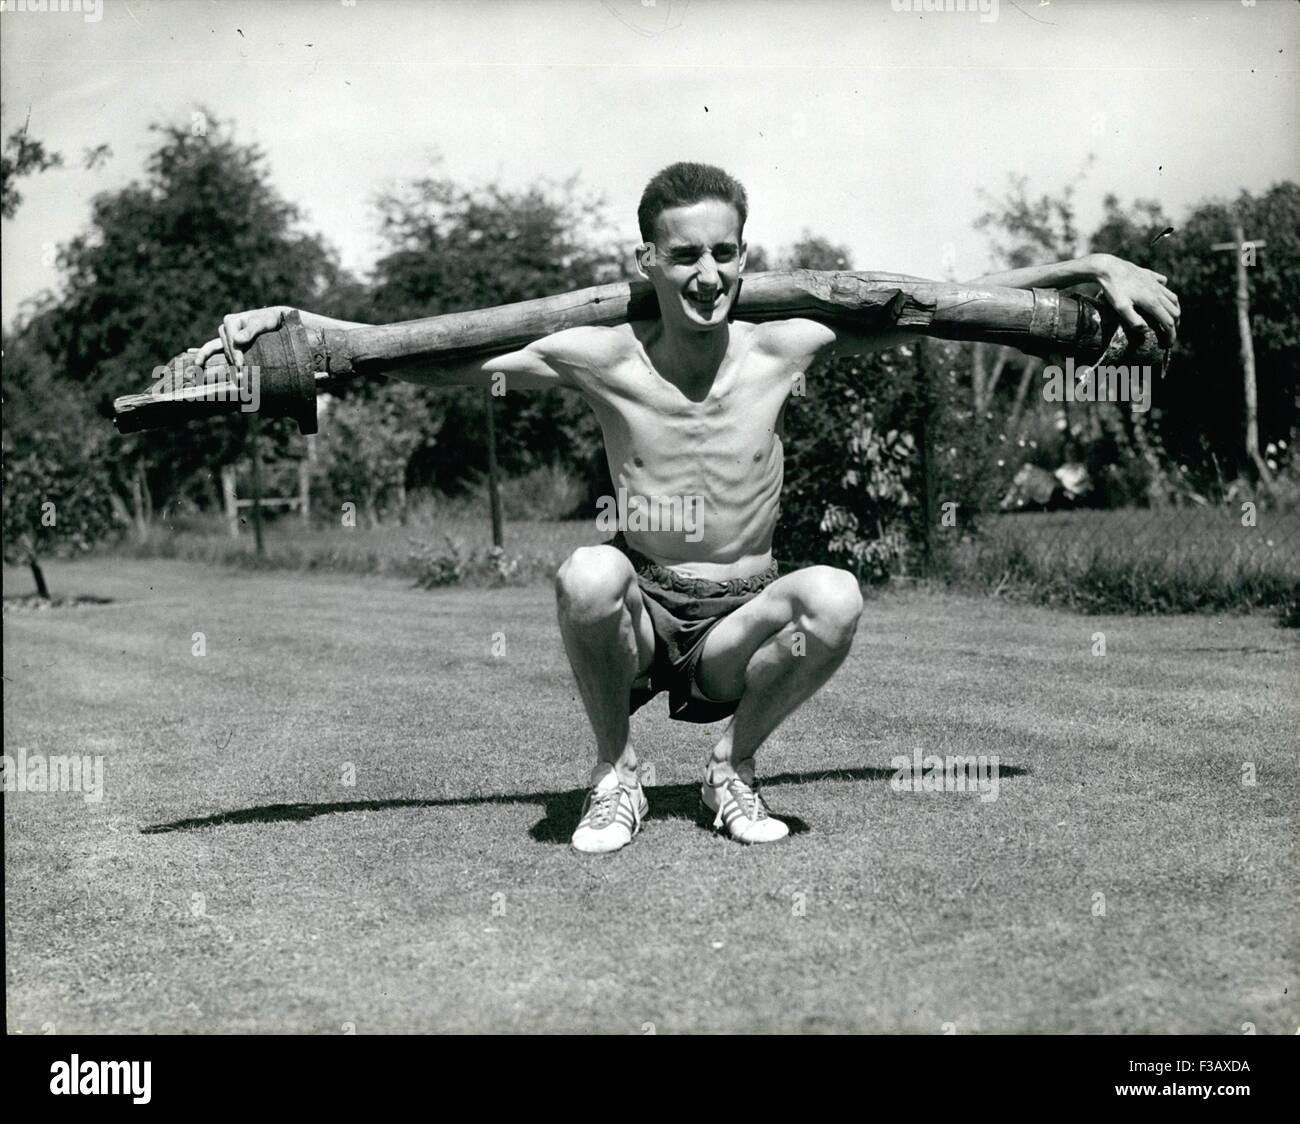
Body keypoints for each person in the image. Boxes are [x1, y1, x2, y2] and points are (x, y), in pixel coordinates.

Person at [189, 162, 1179, 854]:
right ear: (648, 260)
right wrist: (312, 342)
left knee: (832, 593)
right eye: (683, 255)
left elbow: (941, 300)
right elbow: (439, 356)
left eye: (723, 252)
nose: (706, 274)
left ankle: (730, 766)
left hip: (736, 625)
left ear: (745, 256)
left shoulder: (786, 341)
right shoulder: (597, 354)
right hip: (645, 617)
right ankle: (614, 772)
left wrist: (1089, 269)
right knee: (587, 570)